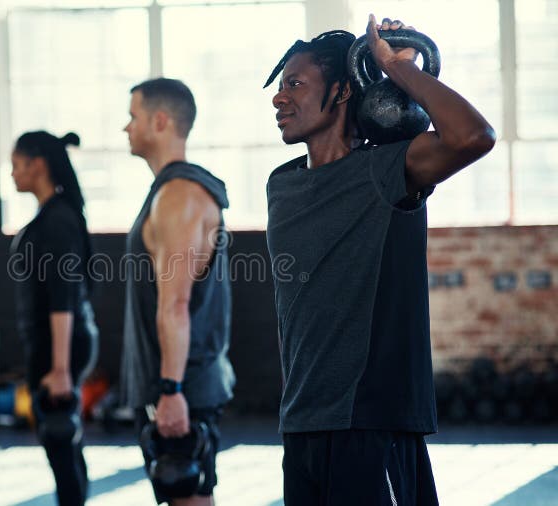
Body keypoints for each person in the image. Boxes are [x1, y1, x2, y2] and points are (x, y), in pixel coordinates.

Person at [263, 16, 495, 505]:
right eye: (281, 87)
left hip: (369, 426)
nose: (279, 98)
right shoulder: (281, 185)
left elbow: (473, 136)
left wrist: (395, 67)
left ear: (343, 92)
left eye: (295, 84)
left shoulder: (388, 170)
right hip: (302, 424)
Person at [120, 77, 235, 506]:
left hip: (181, 388)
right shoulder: (167, 192)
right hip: (170, 386)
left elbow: (176, 305)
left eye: (133, 117)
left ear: (160, 121)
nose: (126, 127)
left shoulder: (179, 196)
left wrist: (171, 390)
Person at [8, 130, 99, 506]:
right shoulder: (52, 215)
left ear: (38, 165)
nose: (12, 174)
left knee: (59, 441)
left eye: (16, 165)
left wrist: (60, 368)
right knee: (62, 443)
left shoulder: (58, 220)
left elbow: (63, 296)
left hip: (61, 346)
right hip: (54, 343)